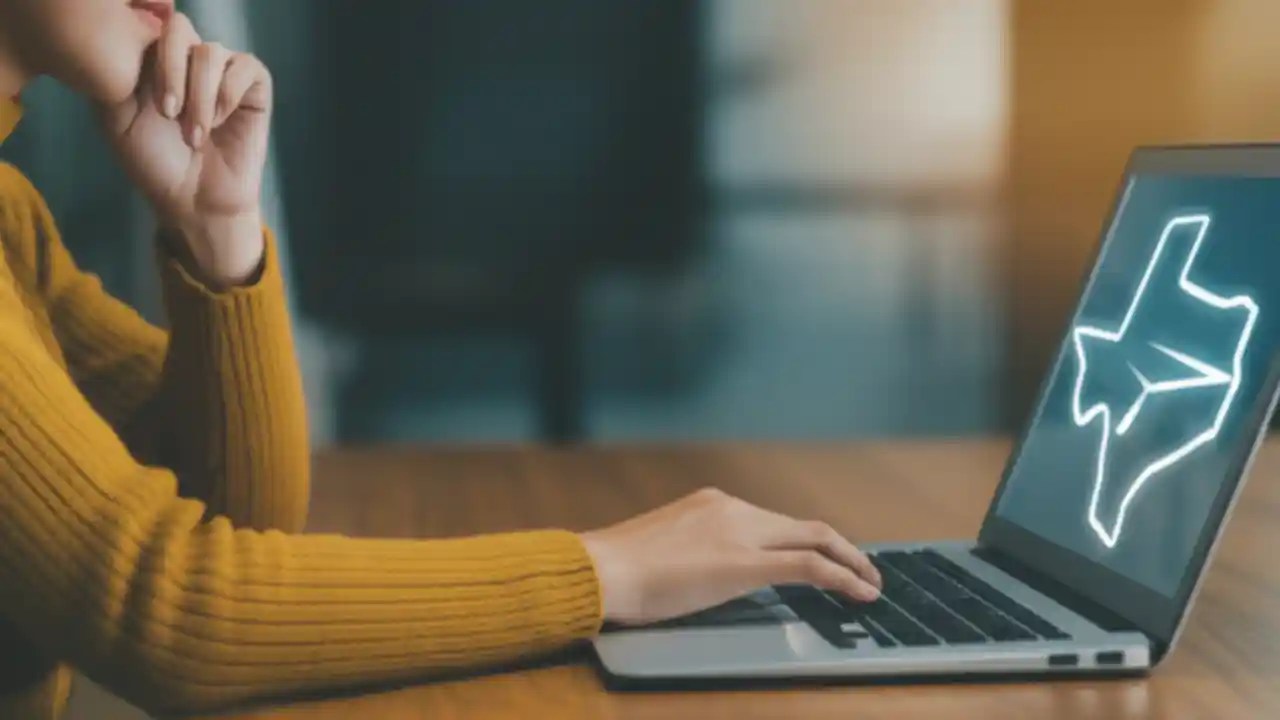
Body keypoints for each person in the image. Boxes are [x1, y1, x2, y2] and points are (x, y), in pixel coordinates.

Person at [0, 2, 883, 718]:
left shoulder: (11, 216)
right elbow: (170, 615)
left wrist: (217, 225)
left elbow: (237, 514)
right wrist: (610, 571)